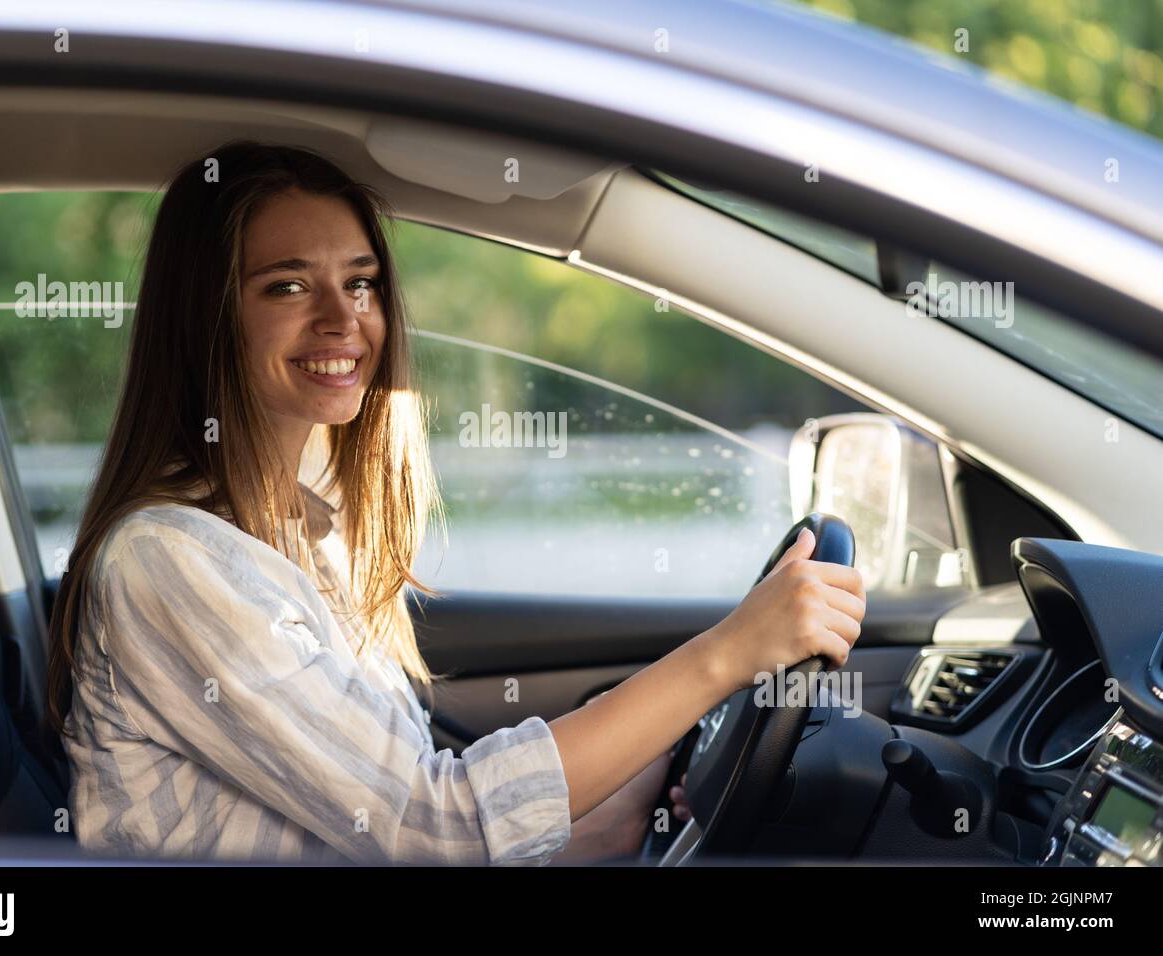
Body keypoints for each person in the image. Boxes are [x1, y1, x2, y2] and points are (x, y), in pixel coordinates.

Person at [46, 141, 865, 865]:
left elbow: (388, 827)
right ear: (206, 318)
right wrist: (728, 654)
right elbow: (434, 825)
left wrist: (625, 812)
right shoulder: (168, 562)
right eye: (288, 286)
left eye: (361, 283)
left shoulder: (304, 534)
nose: (344, 319)